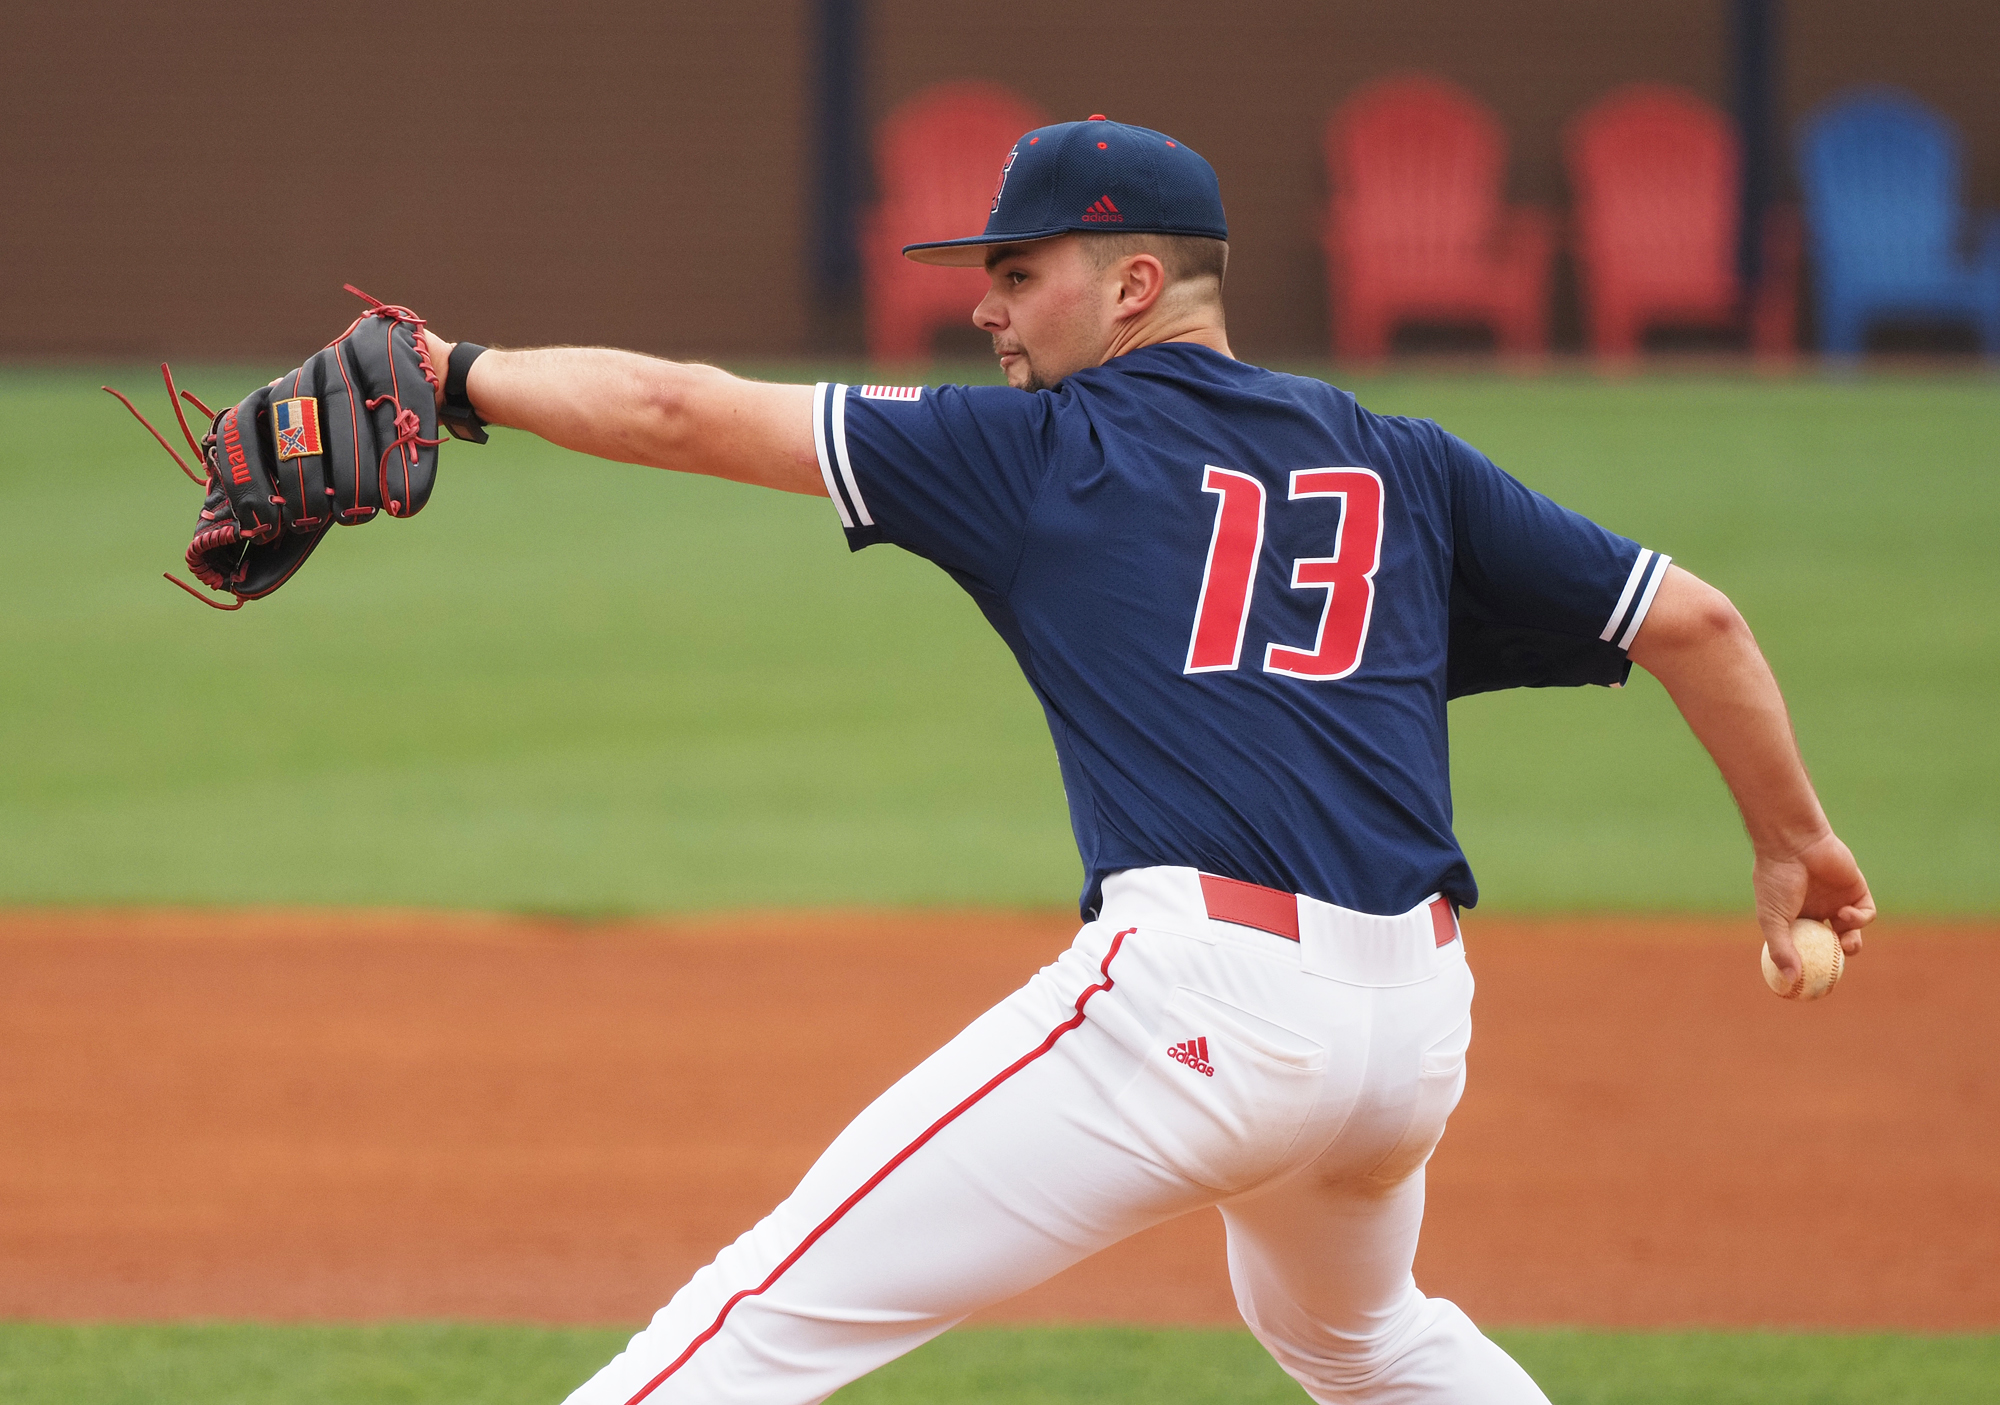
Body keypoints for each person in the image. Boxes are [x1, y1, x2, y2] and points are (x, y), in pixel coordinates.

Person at [416, 117, 1874, 1405]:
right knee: (1365, 1343)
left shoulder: (1042, 449)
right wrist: (1793, 841)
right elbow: (1696, 621)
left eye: (1017, 271)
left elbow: (680, 408)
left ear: (1130, 285)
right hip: (1413, 1030)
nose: (985, 307)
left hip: (1202, 1014)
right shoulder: (1405, 458)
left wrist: (454, 374)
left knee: (760, 1320)